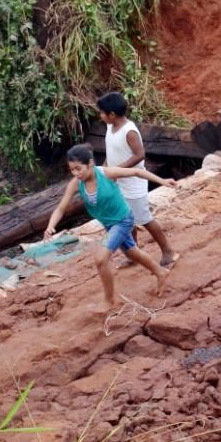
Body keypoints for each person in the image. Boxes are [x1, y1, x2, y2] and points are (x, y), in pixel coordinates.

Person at [42, 143, 173, 311]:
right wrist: (50, 227)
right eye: (72, 170)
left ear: (90, 163)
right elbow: (61, 208)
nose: (76, 173)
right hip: (109, 224)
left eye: (78, 168)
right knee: (132, 253)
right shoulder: (76, 184)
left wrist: (162, 181)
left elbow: (136, 171)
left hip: (123, 220)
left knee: (101, 258)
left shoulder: (106, 173)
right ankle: (160, 272)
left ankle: (109, 300)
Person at [96, 91, 180, 266]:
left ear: (112, 114)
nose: (100, 115)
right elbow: (111, 152)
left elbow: (139, 155)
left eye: (102, 112)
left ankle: (168, 251)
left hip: (133, 183)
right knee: (127, 219)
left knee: (145, 219)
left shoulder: (129, 131)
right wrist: (106, 170)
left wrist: (117, 170)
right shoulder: (110, 127)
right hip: (119, 182)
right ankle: (134, 254)